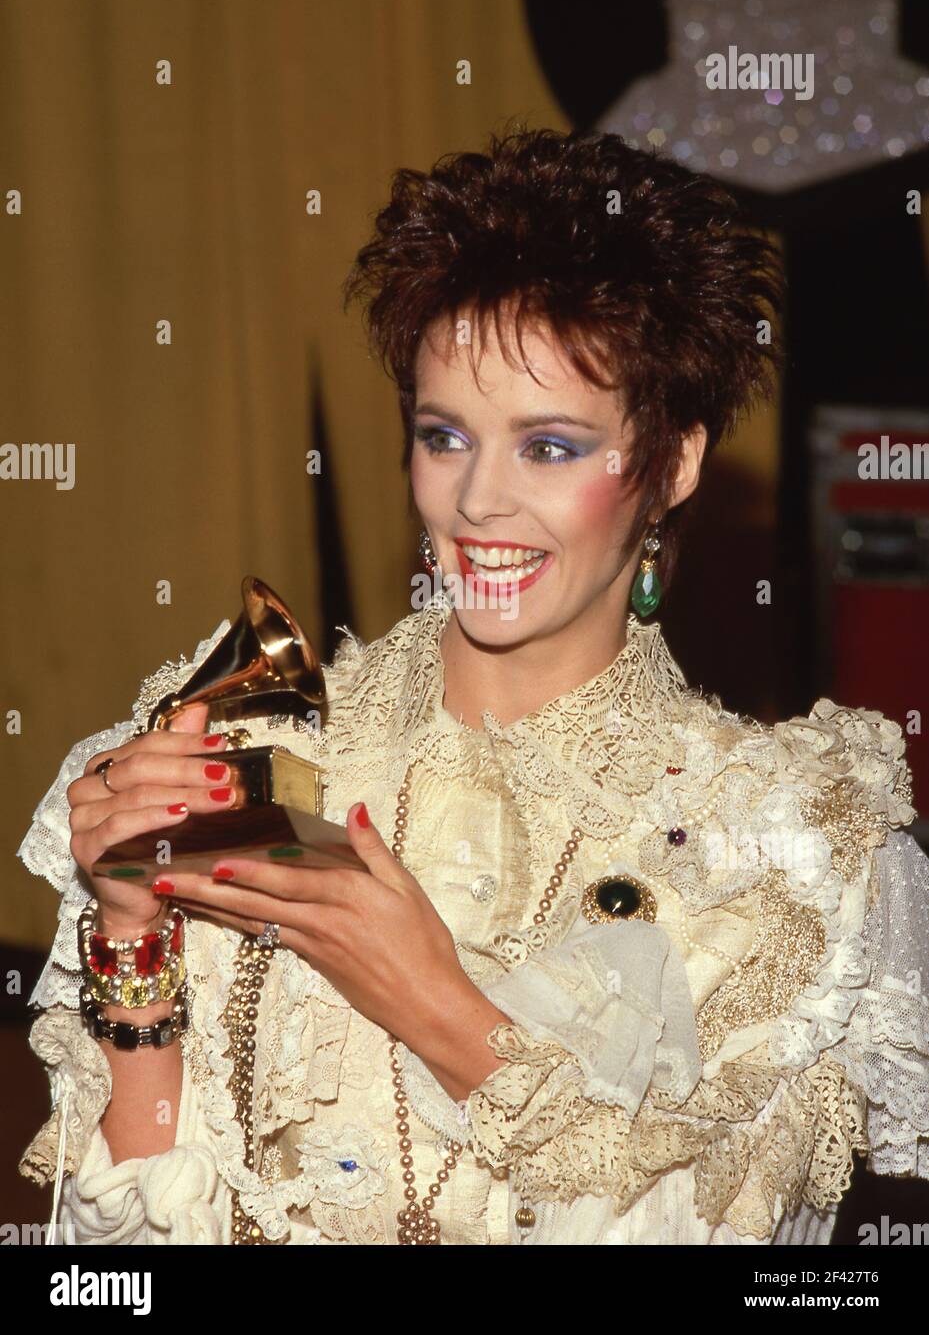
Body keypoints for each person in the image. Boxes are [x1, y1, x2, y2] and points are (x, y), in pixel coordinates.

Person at [18, 126, 929, 1245]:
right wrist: (129, 929)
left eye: (548, 446)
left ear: (672, 464)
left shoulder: (791, 845)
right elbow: (111, 1257)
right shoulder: (247, 744)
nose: (475, 502)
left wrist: (435, 1003)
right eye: (443, 435)